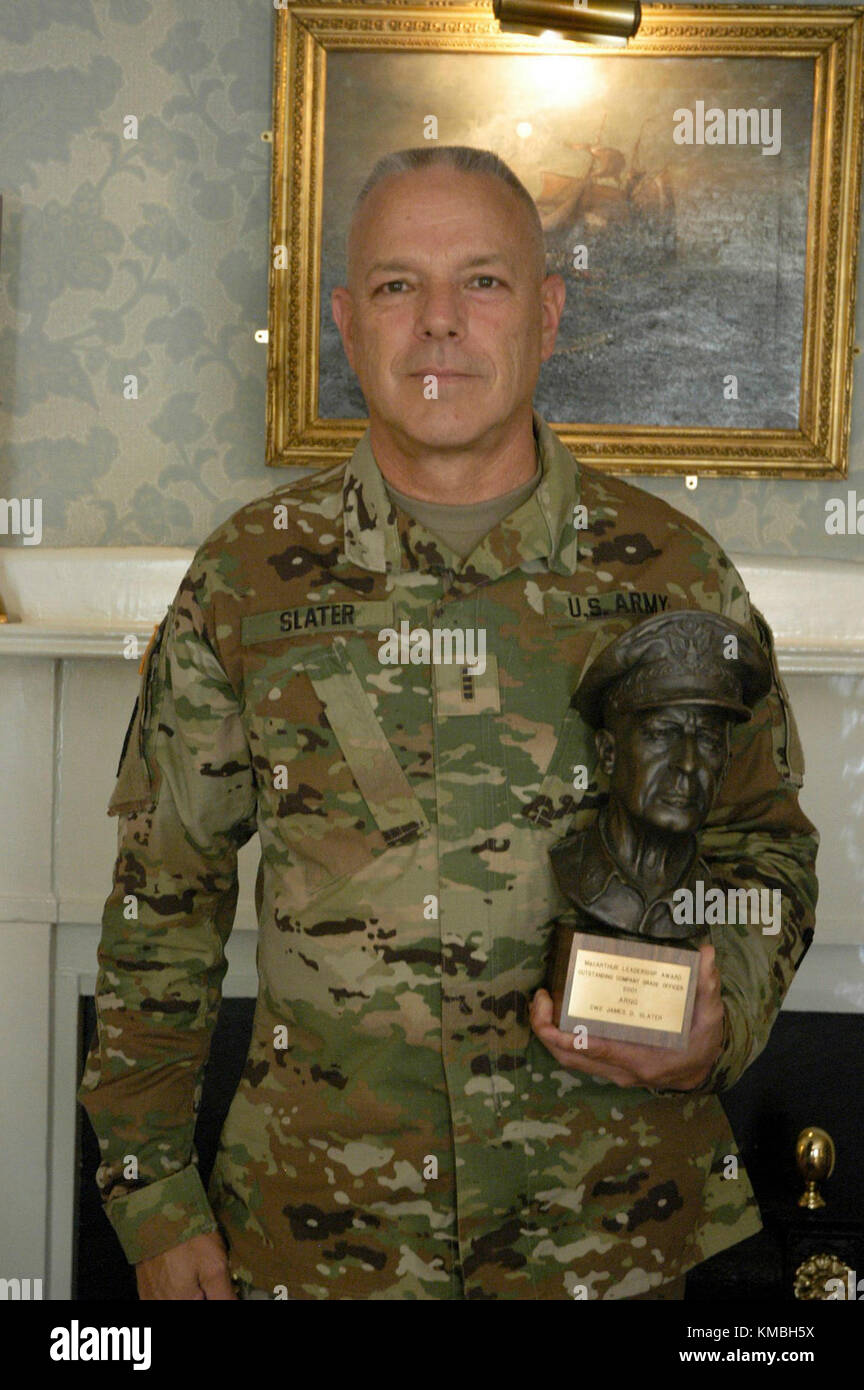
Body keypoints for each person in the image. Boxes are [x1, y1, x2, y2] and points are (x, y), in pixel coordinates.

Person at [77, 144, 818, 1301]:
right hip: (317, 1241)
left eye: (482, 281)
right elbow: (159, 906)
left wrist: (721, 1012)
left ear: (549, 312)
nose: (437, 323)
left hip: (611, 1242)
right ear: (344, 319)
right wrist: (153, 1196)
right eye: (394, 285)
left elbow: (766, 851)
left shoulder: (678, 575)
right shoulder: (245, 578)